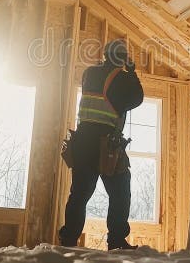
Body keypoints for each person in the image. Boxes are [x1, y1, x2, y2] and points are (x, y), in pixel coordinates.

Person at [59, 39, 143, 250]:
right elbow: (136, 98)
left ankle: (68, 240)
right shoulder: (120, 78)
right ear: (121, 58)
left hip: (82, 141)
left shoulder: (89, 73)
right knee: (120, 191)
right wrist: (132, 72)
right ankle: (116, 240)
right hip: (106, 144)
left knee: (79, 193)